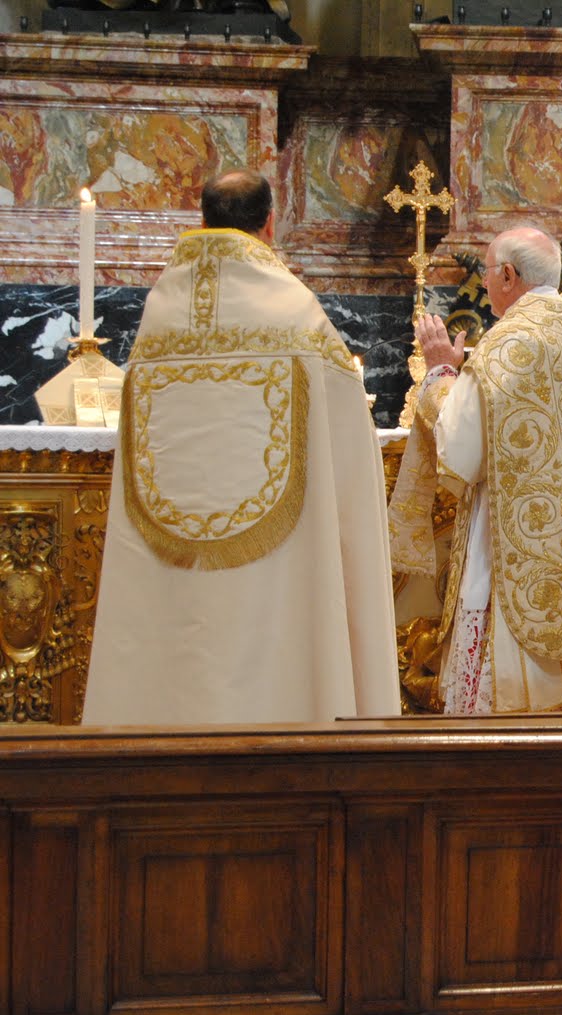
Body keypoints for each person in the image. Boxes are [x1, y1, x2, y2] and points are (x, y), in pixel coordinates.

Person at [83, 169, 399, 724]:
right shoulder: (295, 314)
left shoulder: (159, 317)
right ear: (270, 225)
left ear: (200, 221)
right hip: (279, 571)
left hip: (173, 568)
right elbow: (349, 436)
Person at [415, 225, 562, 713]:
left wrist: (442, 373)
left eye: (488, 273)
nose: (484, 284)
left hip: (511, 545)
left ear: (508, 275)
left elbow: (460, 451)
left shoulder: (505, 345)